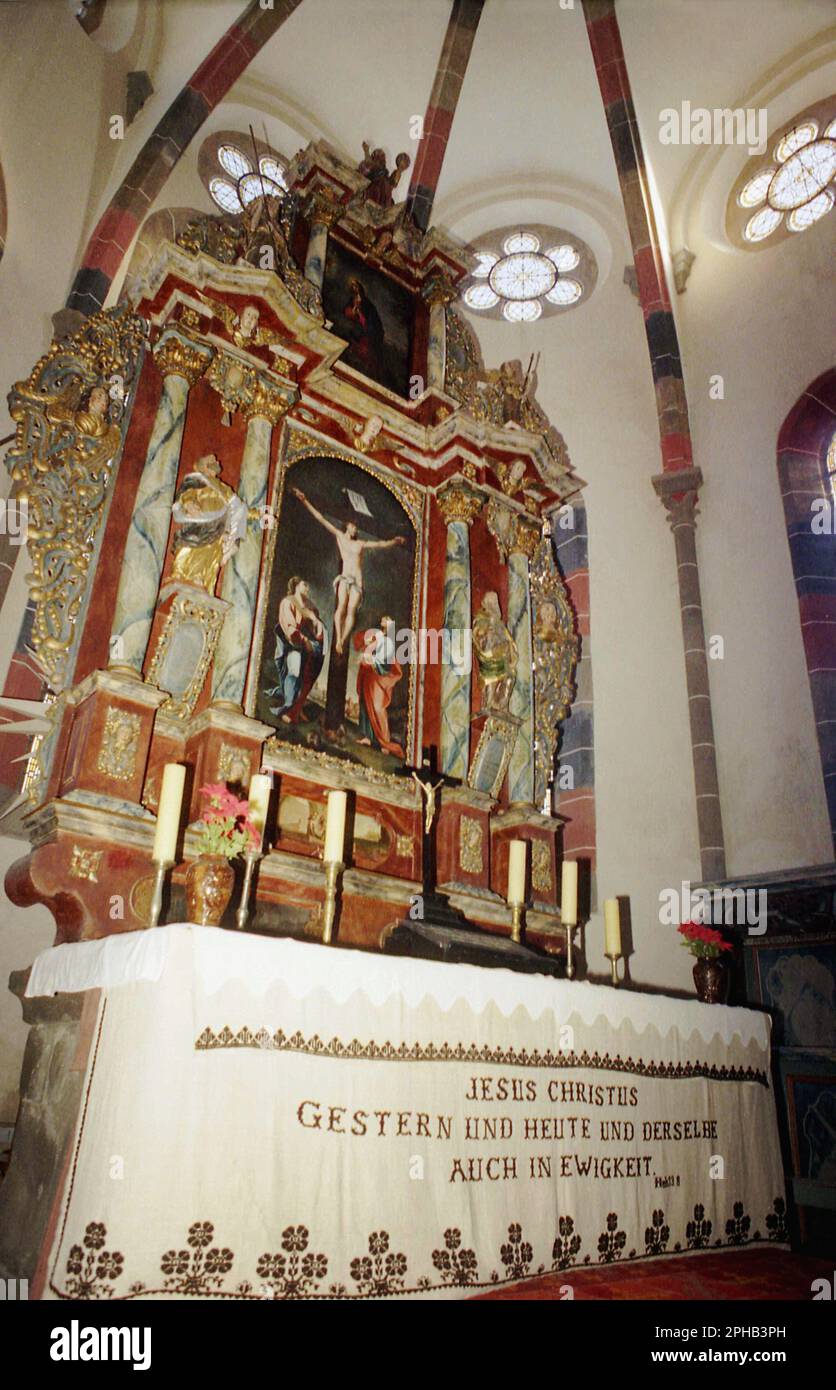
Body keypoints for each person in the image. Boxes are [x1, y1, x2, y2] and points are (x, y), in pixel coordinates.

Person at [291, 486, 406, 655]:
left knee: (351, 610)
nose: (355, 530)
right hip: (344, 578)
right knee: (341, 608)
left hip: (357, 581)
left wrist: (394, 542)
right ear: (347, 526)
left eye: (356, 528)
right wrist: (304, 500)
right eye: (353, 527)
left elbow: (380, 545)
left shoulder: (360, 544)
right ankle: (338, 638)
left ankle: (343, 640)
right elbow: (321, 519)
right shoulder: (339, 536)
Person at [170, 454, 247, 593]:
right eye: (210, 461)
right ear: (201, 466)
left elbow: (238, 507)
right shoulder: (195, 480)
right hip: (199, 524)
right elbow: (187, 494)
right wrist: (188, 503)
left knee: (210, 557)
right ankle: (179, 574)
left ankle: (202, 581)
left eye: (215, 460)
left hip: (217, 529)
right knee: (189, 546)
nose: (215, 462)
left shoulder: (223, 488)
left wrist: (258, 514)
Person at [267, 577, 325, 723]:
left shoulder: (309, 607)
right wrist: (303, 640)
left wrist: (316, 624)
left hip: (306, 646)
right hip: (293, 643)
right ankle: (289, 709)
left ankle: (297, 710)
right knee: (294, 675)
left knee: (306, 677)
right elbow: (288, 626)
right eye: (304, 585)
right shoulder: (288, 602)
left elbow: (316, 628)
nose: (307, 588)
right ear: (296, 586)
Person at [354, 617, 404, 758]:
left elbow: (384, 662)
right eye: (383, 620)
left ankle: (385, 742)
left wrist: (371, 660)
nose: (383, 621)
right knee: (365, 703)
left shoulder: (388, 642)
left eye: (386, 620)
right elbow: (363, 645)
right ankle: (367, 737)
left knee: (378, 708)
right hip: (368, 675)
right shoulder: (377, 636)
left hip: (378, 677)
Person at [342, 278, 384, 381]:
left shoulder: (366, 303)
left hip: (365, 326)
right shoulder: (352, 300)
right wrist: (353, 312)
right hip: (357, 325)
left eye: (356, 287)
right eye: (353, 287)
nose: (355, 289)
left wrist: (360, 314)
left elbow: (371, 317)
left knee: (366, 347)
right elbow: (348, 311)